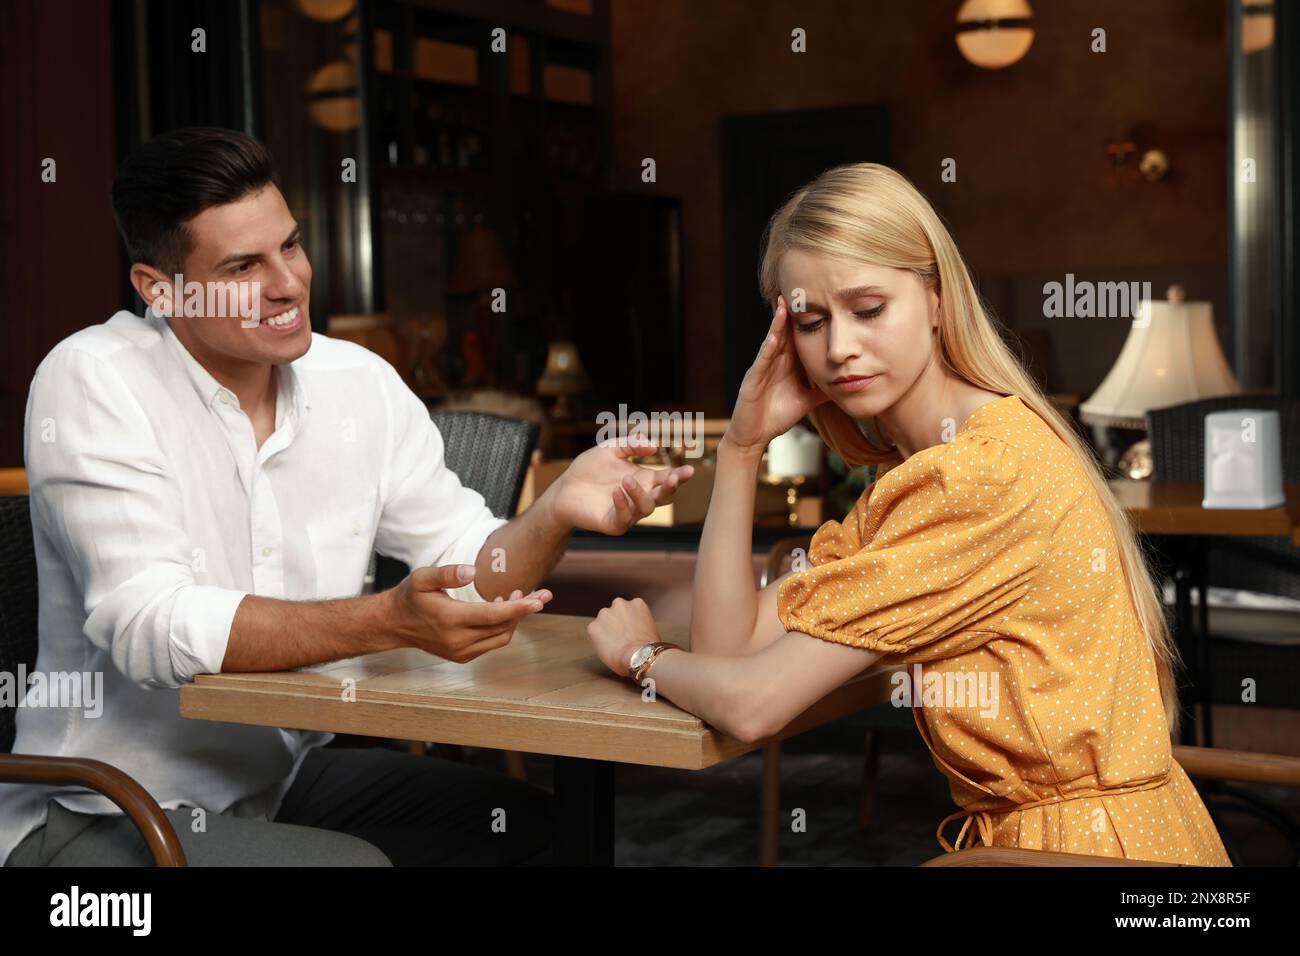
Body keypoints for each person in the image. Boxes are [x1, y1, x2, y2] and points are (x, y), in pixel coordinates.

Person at [2, 127, 694, 867]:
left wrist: (552, 512)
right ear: (159, 288)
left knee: (539, 831)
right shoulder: (93, 380)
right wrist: (387, 621)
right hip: (100, 804)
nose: (288, 284)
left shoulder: (356, 382)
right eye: (243, 266)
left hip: (278, 779)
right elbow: (150, 624)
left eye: (291, 247)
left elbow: (470, 564)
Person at [586, 162, 1231, 866]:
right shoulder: (920, 476)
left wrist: (641, 656)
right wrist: (742, 446)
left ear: (933, 297)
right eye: (811, 320)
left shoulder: (978, 474)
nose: (838, 348)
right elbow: (727, 654)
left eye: (868, 310)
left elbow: (748, 703)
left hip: (1085, 855)